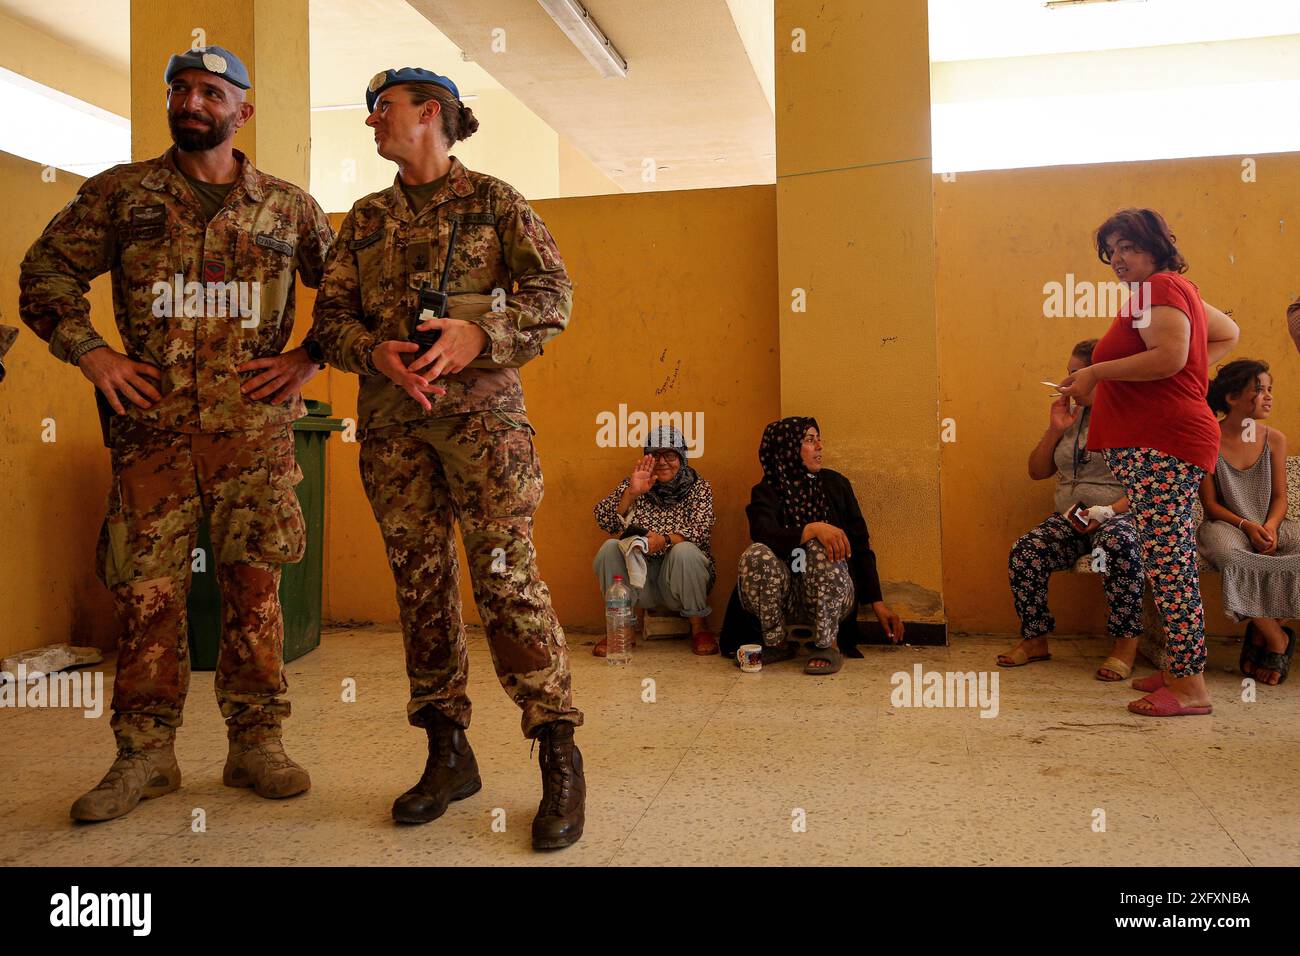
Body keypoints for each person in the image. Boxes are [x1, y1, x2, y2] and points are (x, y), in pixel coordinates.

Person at [18, 45, 333, 821]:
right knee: (147, 595)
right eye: (182, 90)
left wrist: (307, 358)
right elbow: (45, 274)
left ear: (243, 111)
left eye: (211, 92)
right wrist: (93, 357)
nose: (193, 102)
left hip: (253, 437)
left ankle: (256, 743)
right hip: (150, 435)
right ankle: (144, 757)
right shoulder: (121, 196)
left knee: (255, 589)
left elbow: (354, 296)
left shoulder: (288, 208)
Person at [309, 67, 585, 850]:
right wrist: (374, 353)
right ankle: (446, 754)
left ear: (431, 114)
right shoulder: (363, 221)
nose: (371, 122)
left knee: (507, 582)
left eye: (383, 109)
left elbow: (554, 295)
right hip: (395, 433)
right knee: (420, 589)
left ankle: (558, 755)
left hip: (485, 434)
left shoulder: (496, 203)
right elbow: (330, 323)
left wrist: (480, 335)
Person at [1060, 207, 1240, 716]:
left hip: (1164, 442)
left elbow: (1168, 357)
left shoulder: (1156, 290)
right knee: (1167, 558)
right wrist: (1186, 374)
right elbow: (1224, 335)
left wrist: (1098, 373)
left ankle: (1191, 689)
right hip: (1164, 440)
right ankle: (1182, 667)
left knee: (1168, 562)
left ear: (1156, 244)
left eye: (1127, 246)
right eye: (1110, 250)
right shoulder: (1172, 290)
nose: (1117, 258)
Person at [998, 340, 1145, 680]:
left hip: (1119, 517)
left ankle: (1125, 646)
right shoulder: (1073, 416)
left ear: (1101, 376)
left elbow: (1148, 485)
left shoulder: (1134, 417)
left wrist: (1106, 513)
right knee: (1027, 551)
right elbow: (1037, 471)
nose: (1066, 385)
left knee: (1118, 545)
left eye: (1075, 375)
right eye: (1068, 375)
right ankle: (1035, 641)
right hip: (1072, 519)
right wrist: (1055, 430)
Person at [719, 417, 904, 674]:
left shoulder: (836, 485)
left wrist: (878, 603)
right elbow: (763, 533)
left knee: (820, 548)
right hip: (784, 596)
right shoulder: (766, 492)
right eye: (809, 440)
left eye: (818, 439)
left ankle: (828, 644)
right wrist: (812, 529)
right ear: (788, 449)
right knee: (757, 554)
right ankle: (776, 643)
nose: (819, 446)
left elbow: (860, 546)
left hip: (829, 597)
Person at [1197, 359, 1297, 685]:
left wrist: (1269, 526)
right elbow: (1211, 505)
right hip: (1227, 527)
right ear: (1232, 398)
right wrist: (1246, 526)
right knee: (1232, 557)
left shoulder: (1275, 439)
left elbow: (1281, 496)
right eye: (1259, 390)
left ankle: (1261, 626)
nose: (1268, 396)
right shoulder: (1207, 439)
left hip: (1270, 524)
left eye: (1270, 389)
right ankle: (1276, 637)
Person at [592, 425, 717, 656]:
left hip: (678, 580)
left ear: (682, 456)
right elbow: (604, 521)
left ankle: (699, 626)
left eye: (670, 455)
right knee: (609, 548)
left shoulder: (698, 487)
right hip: (641, 579)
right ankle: (622, 630)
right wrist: (631, 494)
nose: (662, 462)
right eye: (655, 455)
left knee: (685, 551)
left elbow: (702, 529)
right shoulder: (636, 484)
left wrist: (665, 540)